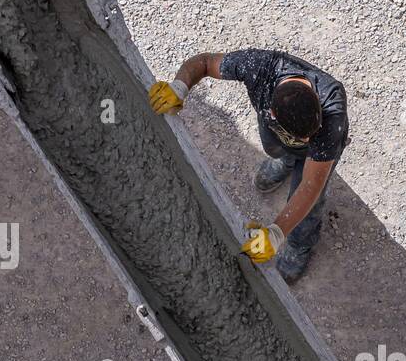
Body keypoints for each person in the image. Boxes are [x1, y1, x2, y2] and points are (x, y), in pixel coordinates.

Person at [148, 49, 350, 281]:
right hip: (275, 133)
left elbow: (310, 184)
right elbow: (203, 62)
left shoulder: (331, 114)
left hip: (312, 146)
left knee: (308, 204)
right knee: (274, 148)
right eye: (302, 138)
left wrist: (277, 233)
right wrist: (179, 87)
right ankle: (287, 159)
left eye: (310, 137)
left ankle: (300, 244)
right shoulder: (259, 67)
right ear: (273, 113)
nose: (308, 141)